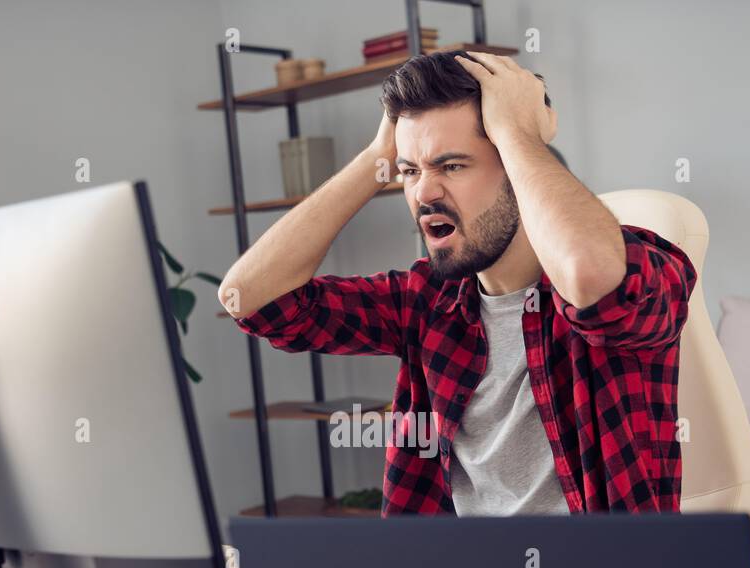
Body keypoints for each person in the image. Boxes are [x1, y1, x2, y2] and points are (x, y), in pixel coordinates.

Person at [219, 51, 696, 516]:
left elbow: (591, 278)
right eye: (409, 172)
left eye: (452, 166)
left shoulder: (648, 269)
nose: (423, 192)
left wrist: (517, 133)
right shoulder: (425, 299)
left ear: (518, 169)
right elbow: (252, 298)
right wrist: (376, 158)